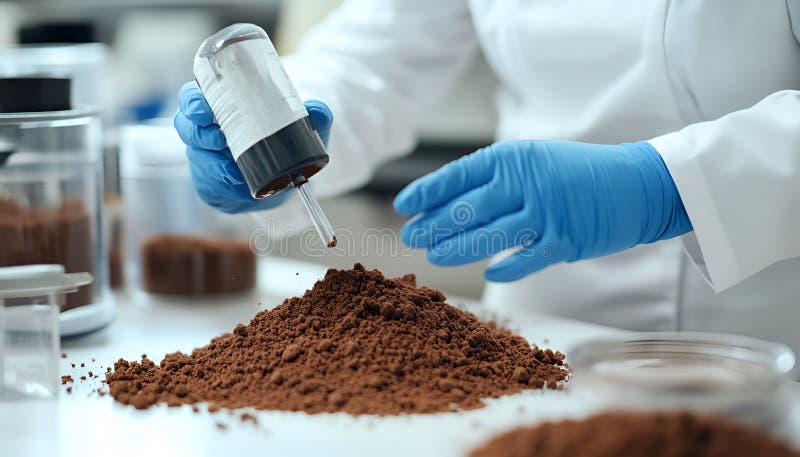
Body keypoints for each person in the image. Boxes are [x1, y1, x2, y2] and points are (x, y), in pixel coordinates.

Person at [175, 1, 800, 358]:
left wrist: (670, 185)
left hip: (765, 334)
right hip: (537, 340)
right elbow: (383, 47)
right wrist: (276, 112)